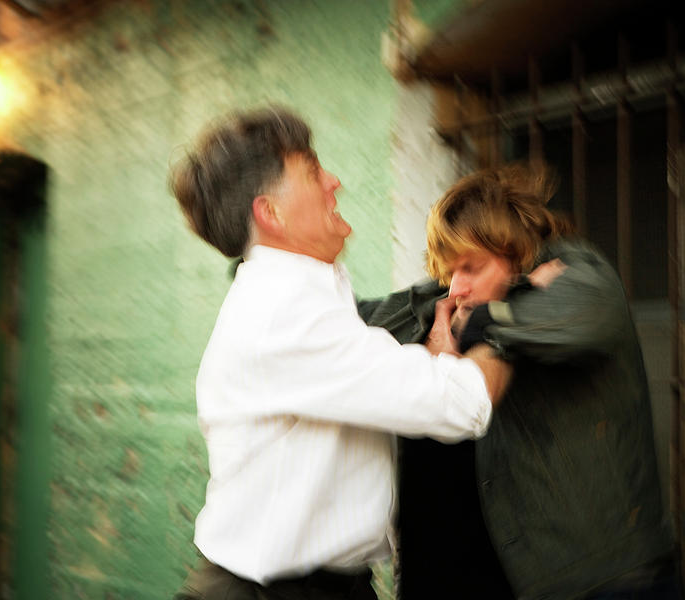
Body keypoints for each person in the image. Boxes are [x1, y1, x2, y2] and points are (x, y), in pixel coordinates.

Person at [168, 108, 512, 600]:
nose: (334, 182)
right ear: (272, 213)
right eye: (312, 172)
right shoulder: (284, 313)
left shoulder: (302, 299)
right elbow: (462, 402)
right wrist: (504, 317)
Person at [359, 167, 679, 600]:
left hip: (612, 582)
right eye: (448, 273)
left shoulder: (577, 271)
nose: (457, 288)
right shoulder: (453, 298)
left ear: (515, 250)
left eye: (471, 267)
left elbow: (586, 313)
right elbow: (351, 320)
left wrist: (488, 319)